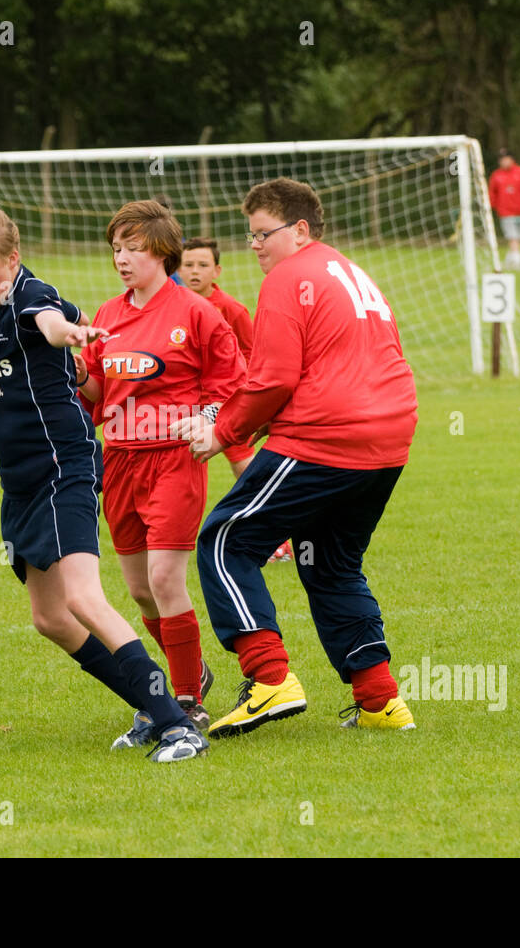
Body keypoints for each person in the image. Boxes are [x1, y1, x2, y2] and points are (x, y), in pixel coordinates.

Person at [0, 198, 206, 762]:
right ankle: (154, 706)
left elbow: (53, 323)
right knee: (51, 618)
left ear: (10, 257)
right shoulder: (1, 315)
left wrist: (70, 335)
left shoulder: (32, 296)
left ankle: (176, 723)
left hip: (63, 469)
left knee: (84, 597)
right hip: (23, 485)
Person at [174, 178, 419, 739]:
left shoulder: (289, 276)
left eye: (265, 233)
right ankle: (380, 700)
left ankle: (270, 679)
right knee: (331, 563)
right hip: (389, 437)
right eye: (250, 234)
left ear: (301, 229)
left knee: (226, 540)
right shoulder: (351, 271)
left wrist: (223, 430)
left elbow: (275, 377)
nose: (255, 245)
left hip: (328, 436)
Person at [76, 202, 247, 732]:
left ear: (162, 252)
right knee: (139, 590)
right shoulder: (108, 315)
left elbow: (234, 384)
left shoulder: (197, 312)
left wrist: (208, 423)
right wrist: (72, 368)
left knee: (165, 577)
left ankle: (187, 700)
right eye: (115, 250)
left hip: (174, 461)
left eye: (132, 248)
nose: (121, 259)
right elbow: (100, 394)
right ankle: (190, 668)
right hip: (120, 461)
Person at [179, 237, 294, 563]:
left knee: (247, 472)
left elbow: (254, 354)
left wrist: (237, 395)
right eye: (188, 265)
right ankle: (171, 542)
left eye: (203, 265)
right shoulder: (174, 306)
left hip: (226, 404)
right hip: (186, 407)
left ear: (216, 270)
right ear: (178, 268)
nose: (195, 271)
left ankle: (279, 539)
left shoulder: (230, 309)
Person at [488, 148, 520, 271]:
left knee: (517, 239)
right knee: (513, 237)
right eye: (501, 159)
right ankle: (517, 261)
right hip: (505, 213)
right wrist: (497, 206)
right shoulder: (496, 175)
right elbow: (491, 194)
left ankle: (509, 260)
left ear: (512, 159)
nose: (504, 161)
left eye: (506, 159)